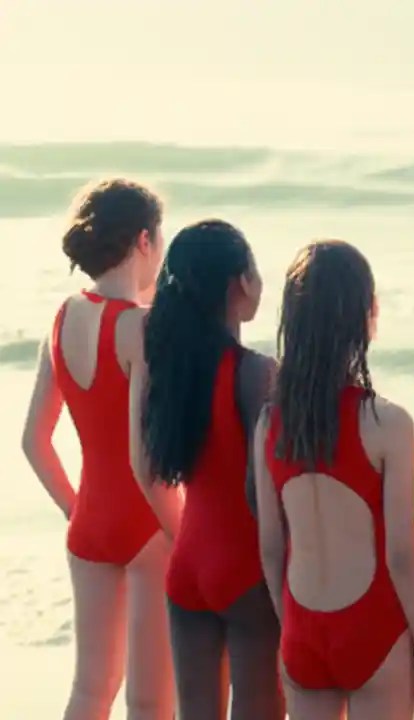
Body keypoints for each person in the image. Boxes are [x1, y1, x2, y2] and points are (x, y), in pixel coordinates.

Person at [252, 240, 414, 719]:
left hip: (303, 627)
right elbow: (402, 554)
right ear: (367, 314)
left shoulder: (270, 425)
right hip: (373, 631)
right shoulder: (387, 424)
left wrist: (292, 625)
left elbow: (271, 547)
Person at [21, 178, 175, 720]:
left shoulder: (62, 319)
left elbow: (33, 442)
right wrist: (182, 534)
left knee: (90, 691)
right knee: (152, 700)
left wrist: (74, 507)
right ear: (143, 242)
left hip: (88, 522)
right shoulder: (138, 328)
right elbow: (144, 458)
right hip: (144, 526)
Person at [128, 220, 283, 719]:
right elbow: (272, 491)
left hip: (188, 563)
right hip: (245, 566)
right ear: (240, 283)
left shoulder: (168, 366)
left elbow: (147, 467)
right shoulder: (256, 372)